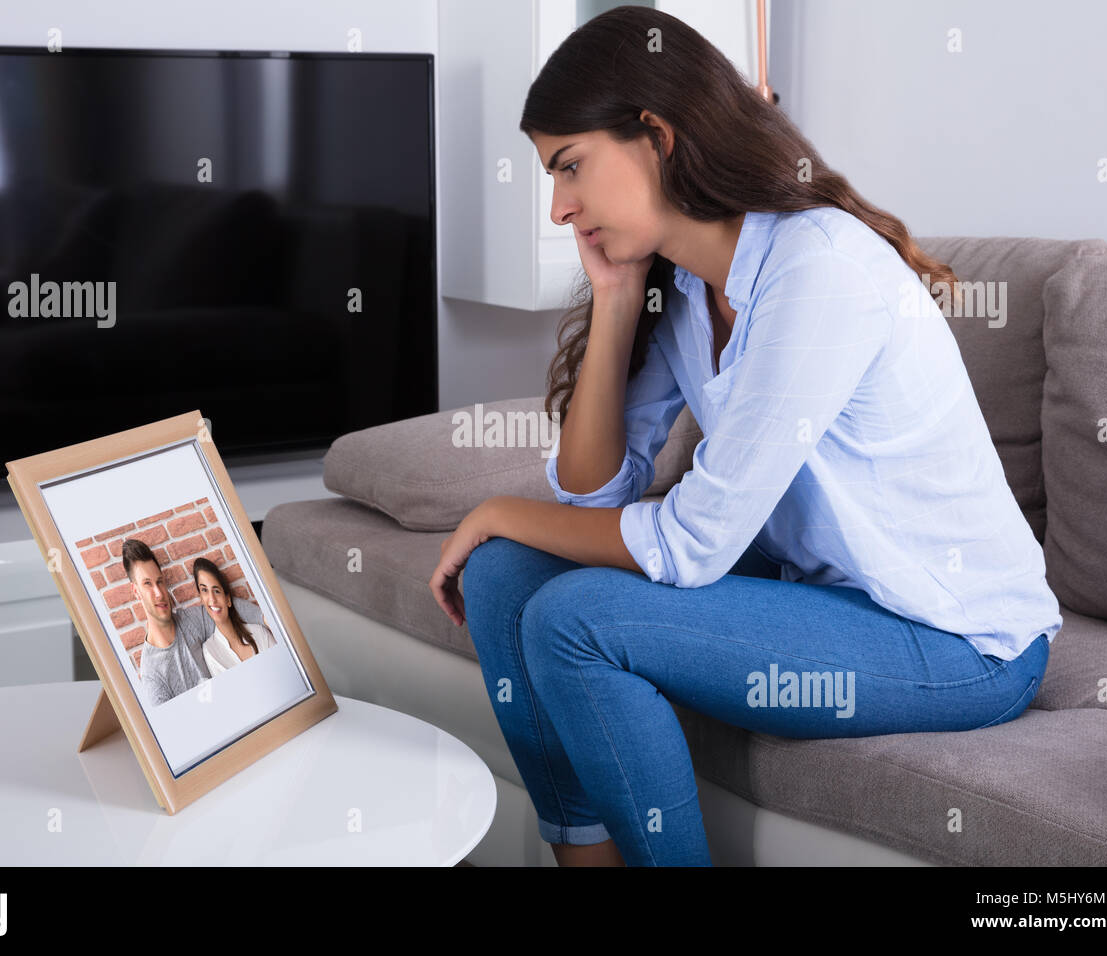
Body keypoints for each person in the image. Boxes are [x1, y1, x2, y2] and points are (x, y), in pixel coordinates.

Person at [426, 7, 1061, 867]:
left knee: (575, 619)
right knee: (504, 576)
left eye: (570, 166)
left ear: (655, 135)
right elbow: (594, 491)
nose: (558, 207)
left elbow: (691, 543)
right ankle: (585, 857)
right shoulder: (686, 287)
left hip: (959, 638)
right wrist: (616, 301)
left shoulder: (817, 269)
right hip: (827, 589)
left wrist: (499, 506)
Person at [123, 538, 264, 706]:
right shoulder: (152, 674)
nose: (159, 593)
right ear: (136, 591)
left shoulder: (189, 620)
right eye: (147, 584)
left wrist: (265, 618)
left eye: (160, 581)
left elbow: (225, 609)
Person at [193, 557, 276, 675]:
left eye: (216, 591)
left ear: (228, 600)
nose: (212, 599)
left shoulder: (260, 633)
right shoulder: (210, 652)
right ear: (201, 598)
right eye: (204, 590)